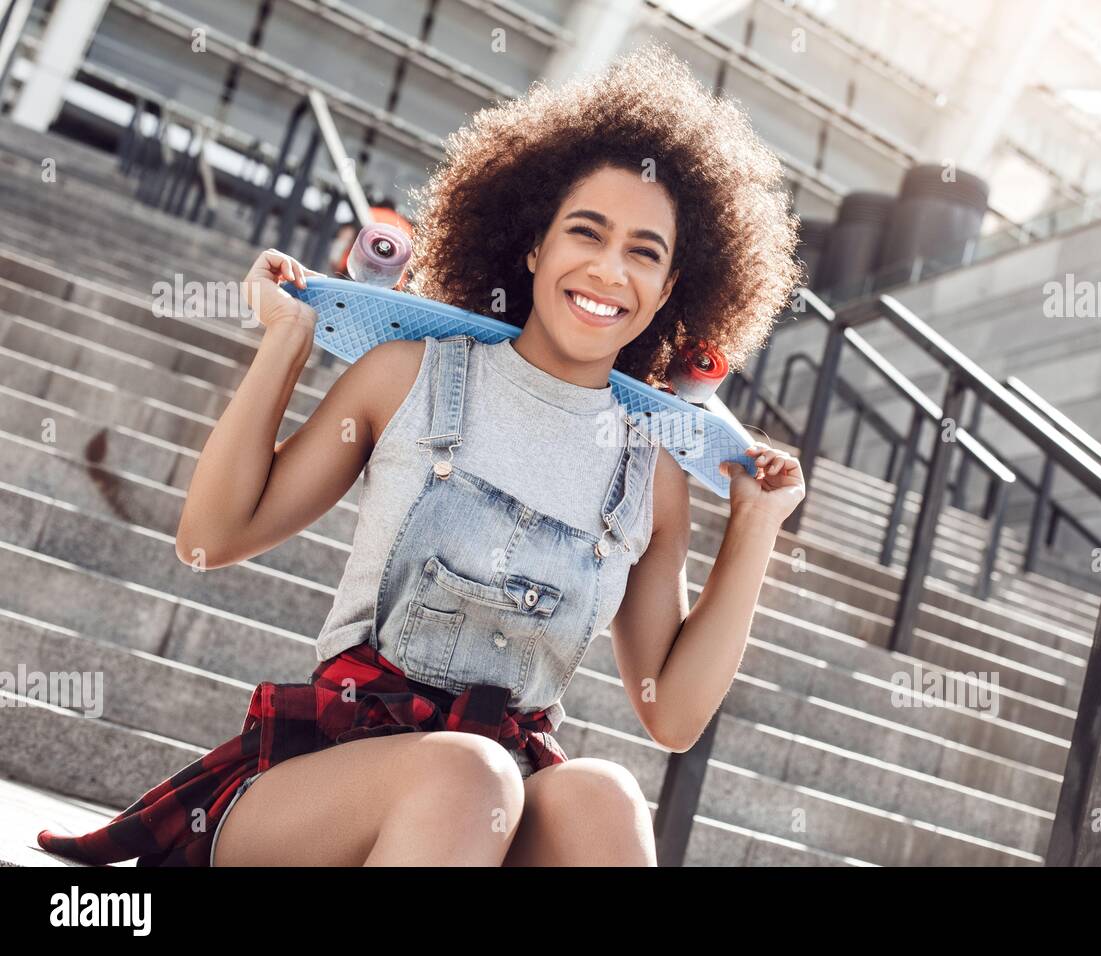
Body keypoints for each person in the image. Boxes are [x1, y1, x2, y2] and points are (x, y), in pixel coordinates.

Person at [36, 39, 806, 867]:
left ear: (668, 288)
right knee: (468, 775)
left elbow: (673, 717)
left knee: (602, 795)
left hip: (494, 810)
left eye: (643, 254)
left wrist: (755, 526)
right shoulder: (409, 376)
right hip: (323, 791)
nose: (609, 269)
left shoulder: (648, 470)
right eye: (586, 233)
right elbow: (208, 539)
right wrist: (288, 340)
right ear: (534, 245)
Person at [330, 195, 414, 288]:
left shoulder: (369, 213)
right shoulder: (406, 226)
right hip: (391, 281)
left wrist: (338, 265)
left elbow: (346, 236)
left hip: (358, 271)